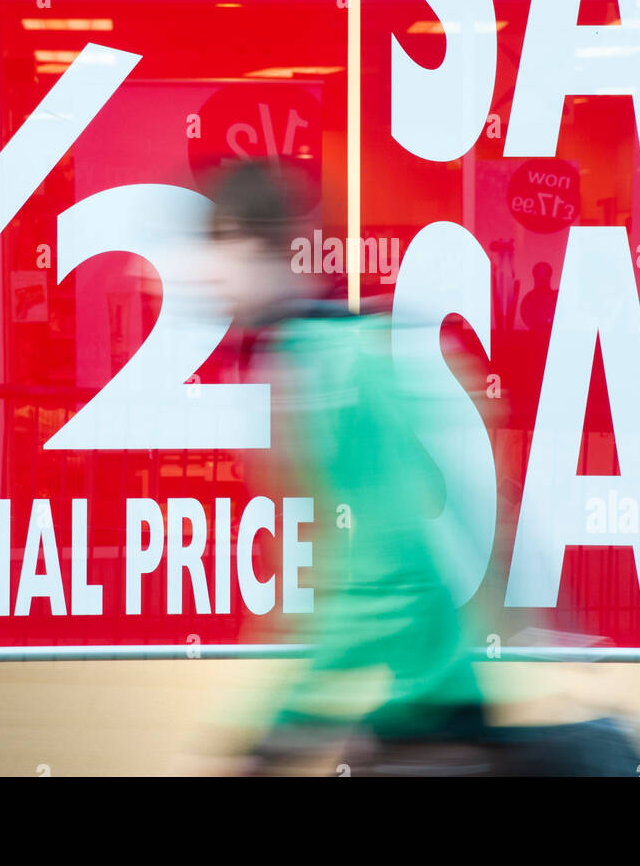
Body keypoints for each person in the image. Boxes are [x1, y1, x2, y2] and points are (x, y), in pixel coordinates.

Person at [202, 160, 490, 771]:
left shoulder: (332, 364)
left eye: (217, 248)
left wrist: (291, 716)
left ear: (257, 245)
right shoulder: (311, 352)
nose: (208, 276)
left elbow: (391, 565)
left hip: (426, 700)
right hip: (417, 693)